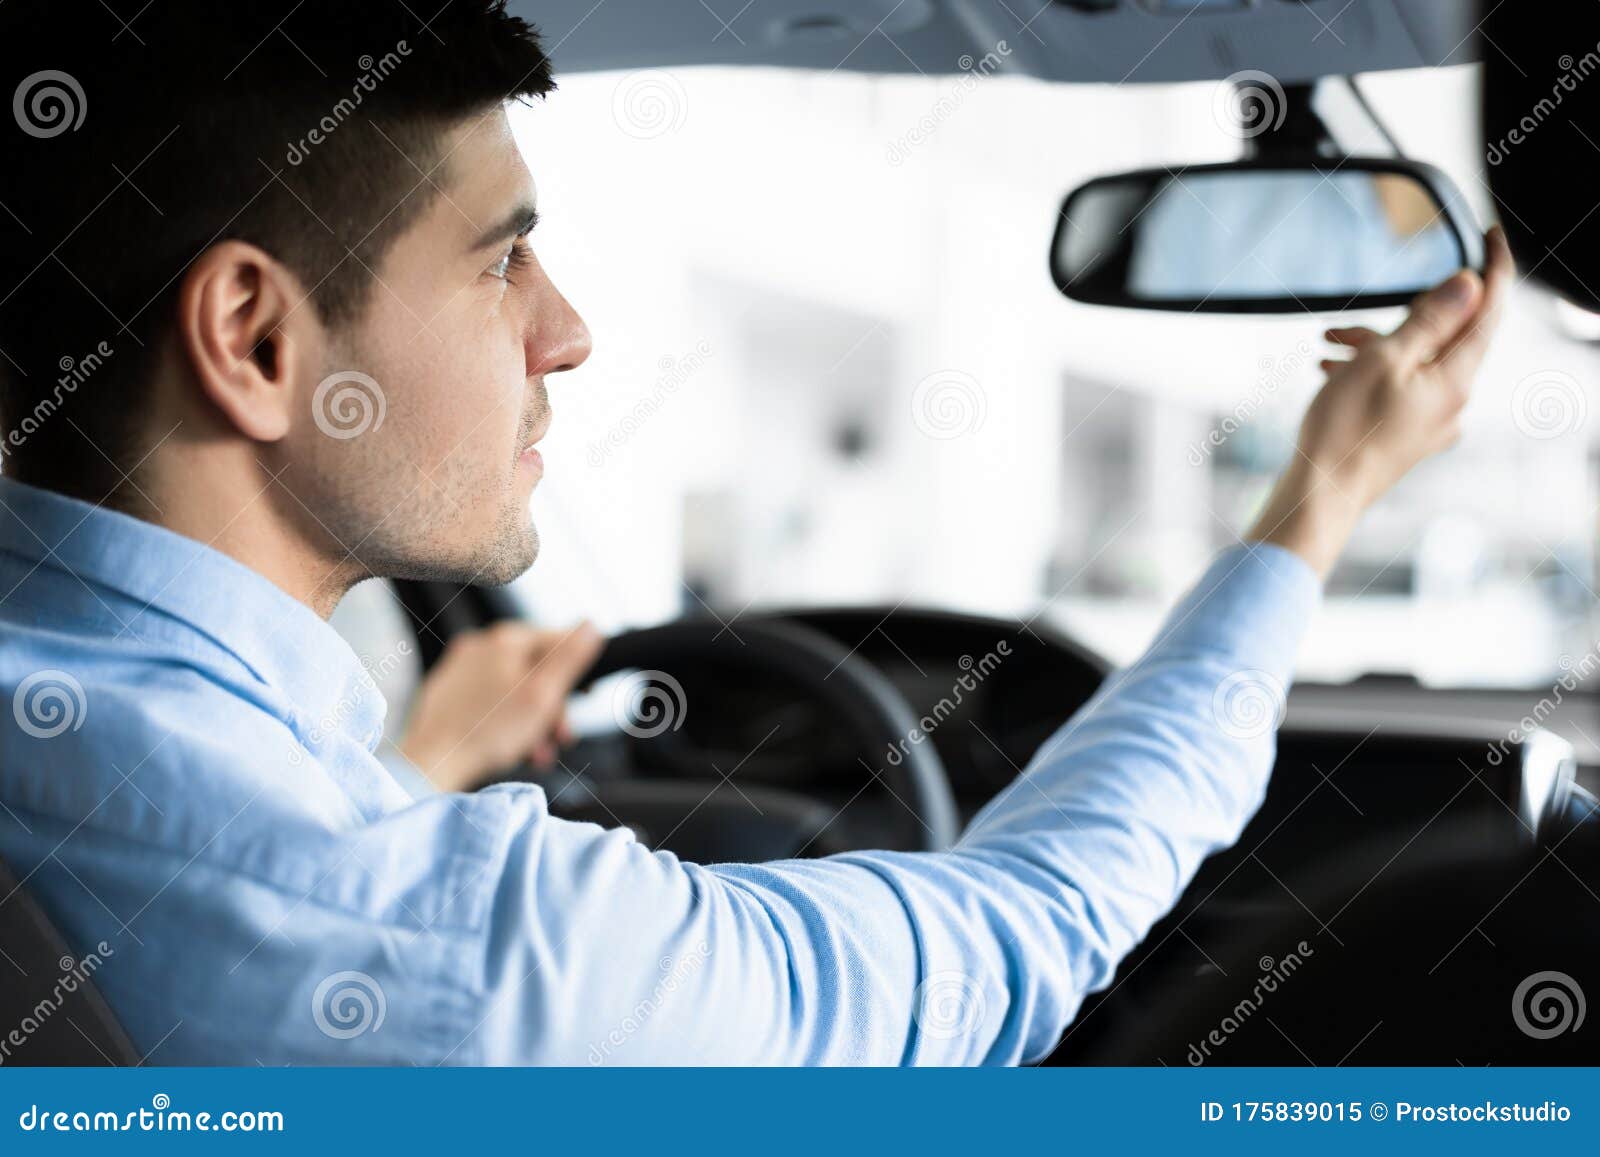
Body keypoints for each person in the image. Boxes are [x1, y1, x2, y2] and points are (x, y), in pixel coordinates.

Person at [0, 1, 1510, 1065]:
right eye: (499, 261)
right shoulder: (464, 948)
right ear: (257, 339)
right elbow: (1024, 926)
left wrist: (415, 765)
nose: (568, 332)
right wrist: (1322, 497)